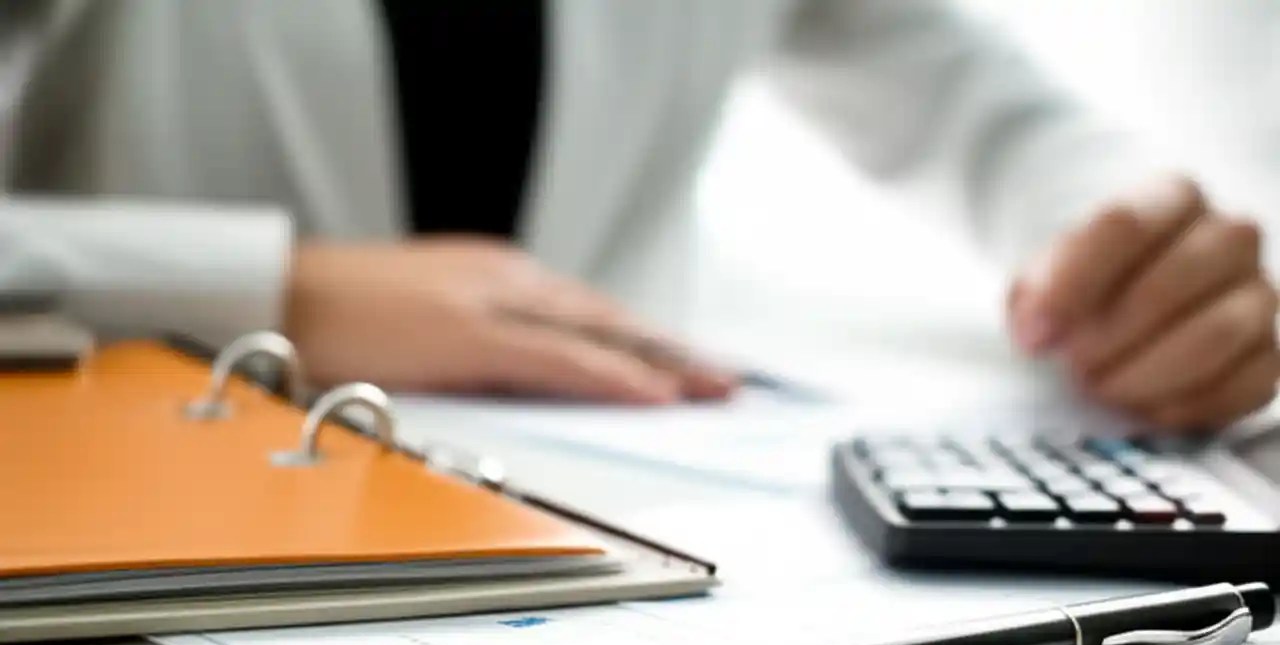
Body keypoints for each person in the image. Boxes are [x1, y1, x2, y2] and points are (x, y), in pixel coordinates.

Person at [2, 0, 1275, 430]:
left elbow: (971, 105)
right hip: (140, 502)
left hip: (620, 544)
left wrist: (1124, 245)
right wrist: (280, 290)